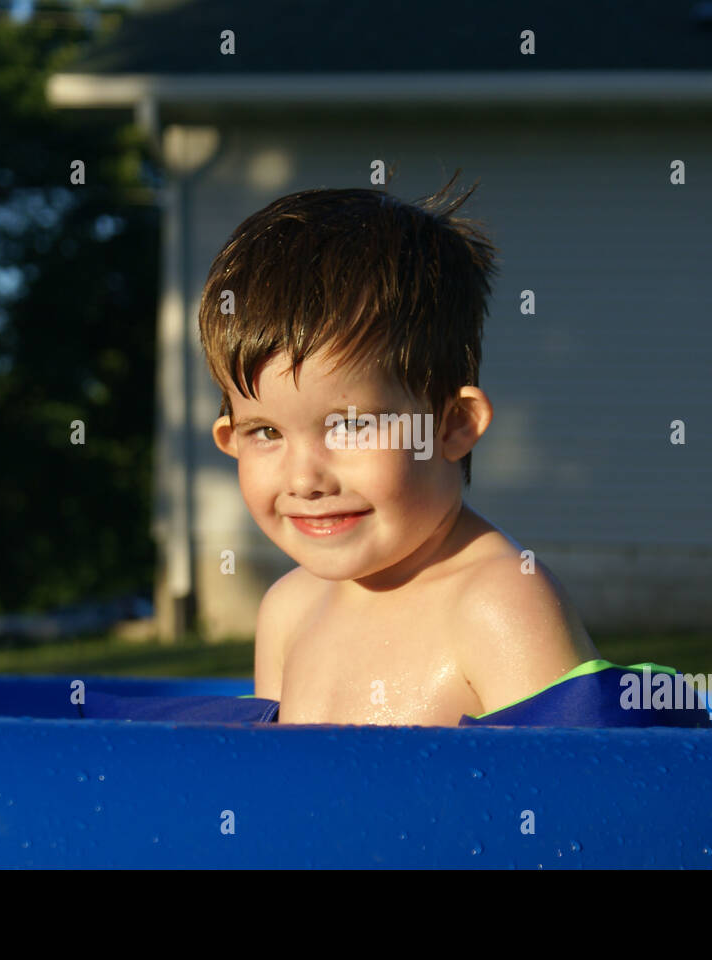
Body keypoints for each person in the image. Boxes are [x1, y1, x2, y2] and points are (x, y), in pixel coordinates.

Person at [198, 171, 601, 725]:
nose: (305, 478)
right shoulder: (288, 611)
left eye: (350, 427)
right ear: (230, 440)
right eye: (266, 432)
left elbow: (569, 798)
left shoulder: (498, 604)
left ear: (453, 426)